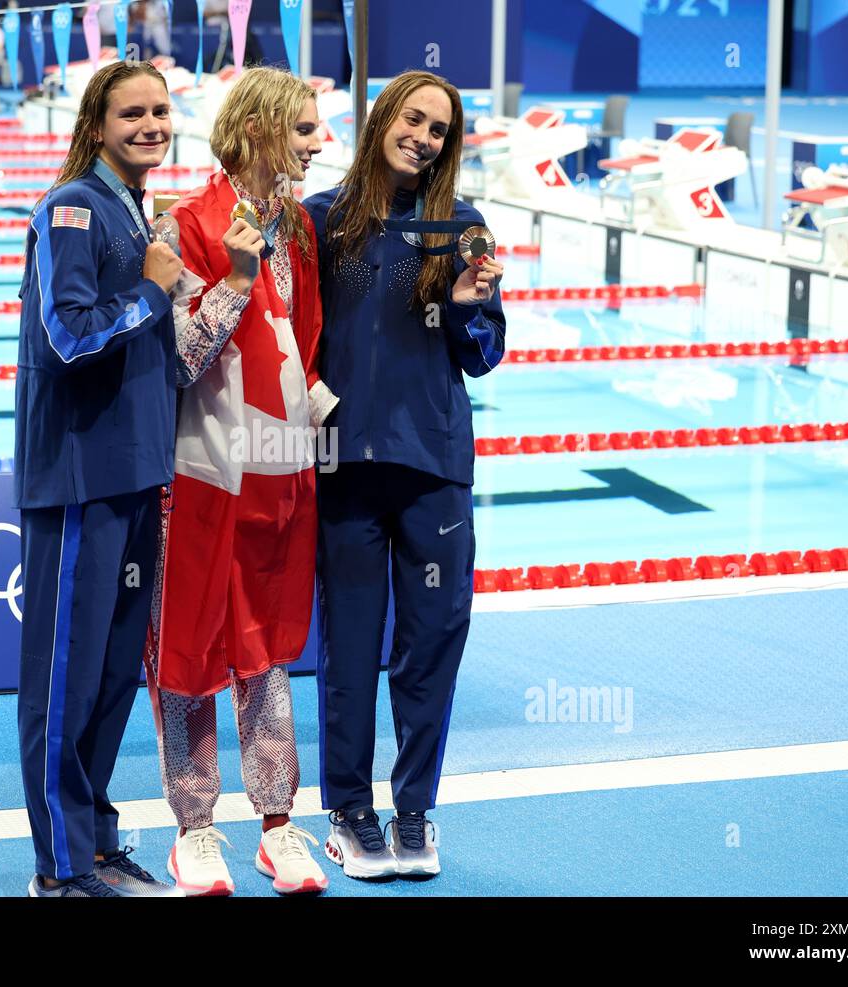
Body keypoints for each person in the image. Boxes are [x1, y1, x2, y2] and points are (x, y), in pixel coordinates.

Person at [303, 70, 506, 881]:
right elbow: (287, 346)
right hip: (345, 467)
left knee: (431, 645)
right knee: (350, 649)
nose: (422, 137)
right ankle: (349, 810)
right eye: (413, 119)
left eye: (438, 130)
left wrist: (462, 303)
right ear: (384, 116)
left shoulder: (461, 227)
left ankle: (414, 808)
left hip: (433, 469)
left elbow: (485, 355)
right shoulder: (319, 222)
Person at [140, 66, 331, 896]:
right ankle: (195, 829)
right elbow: (176, 360)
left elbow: (309, 347)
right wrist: (237, 282)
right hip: (207, 475)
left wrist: (325, 418)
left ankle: (280, 822)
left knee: (269, 653)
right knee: (189, 651)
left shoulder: (300, 229)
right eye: (303, 131)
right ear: (256, 131)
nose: (319, 144)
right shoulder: (186, 223)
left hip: (284, 474)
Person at [14, 59, 185, 898]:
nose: (151, 124)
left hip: (135, 475)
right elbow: (69, 335)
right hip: (80, 480)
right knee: (66, 679)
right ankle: (61, 866)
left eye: (160, 111)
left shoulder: (132, 208)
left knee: (116, 675)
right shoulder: (74, 207)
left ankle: (97, 839)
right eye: (132, 113)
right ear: (97, 123)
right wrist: (154, 295)